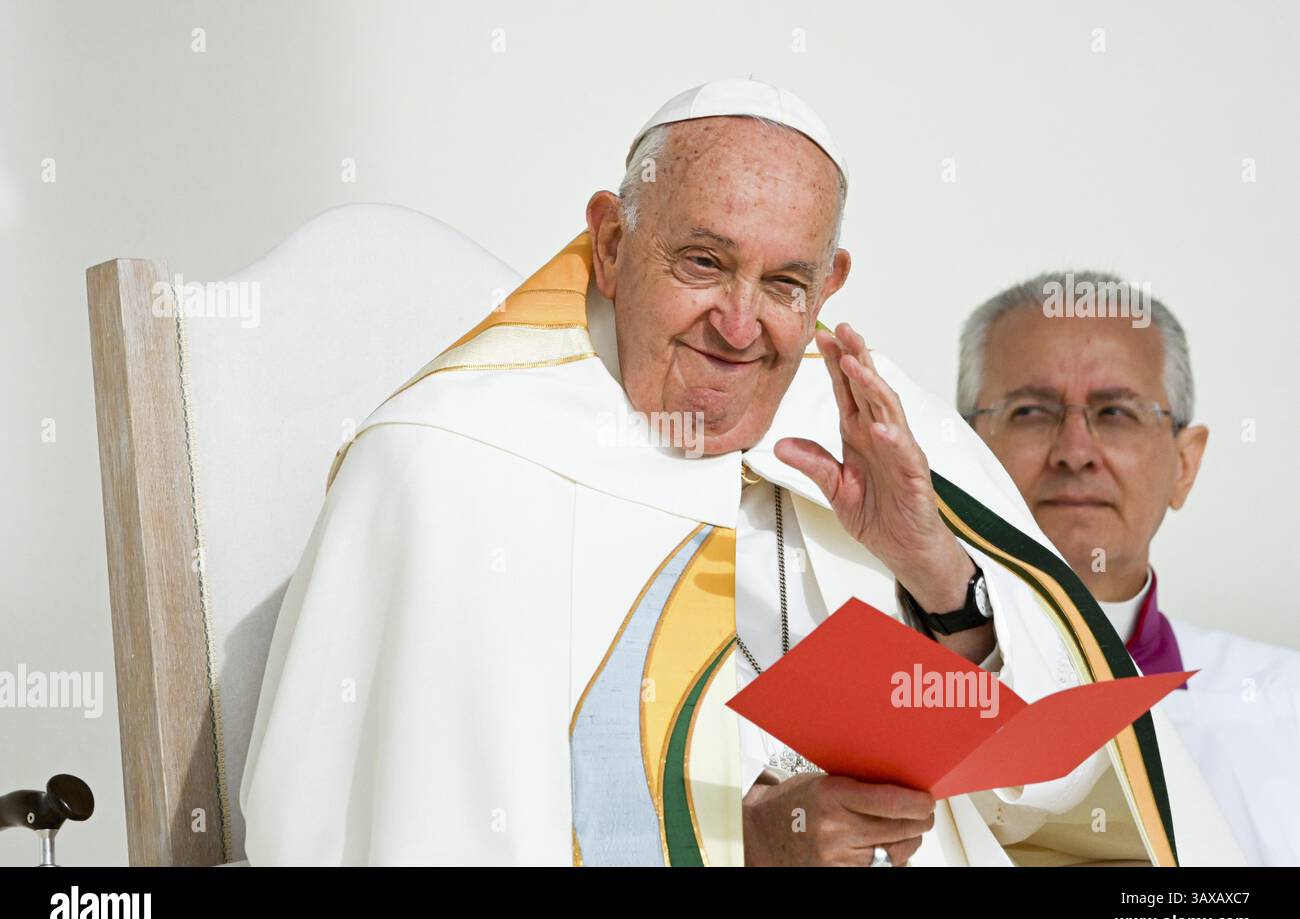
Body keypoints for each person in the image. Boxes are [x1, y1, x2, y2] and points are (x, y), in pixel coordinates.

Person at [240, 79, 1238, 866]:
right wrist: (748, 847)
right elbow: (413, 831)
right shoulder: (451, 460)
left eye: (784, 283)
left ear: (829, 285)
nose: (740, 323)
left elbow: (1073, 815)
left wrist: (937, 572)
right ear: (610, 242)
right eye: (705, 263)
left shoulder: (879, 433)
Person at [960, 271, 1300, 865]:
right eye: (1031, 412)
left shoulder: (1284, 710)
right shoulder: (889, 691)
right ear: (961, 452)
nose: (1074, 451)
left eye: (1115, 412)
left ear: (1184, 466)